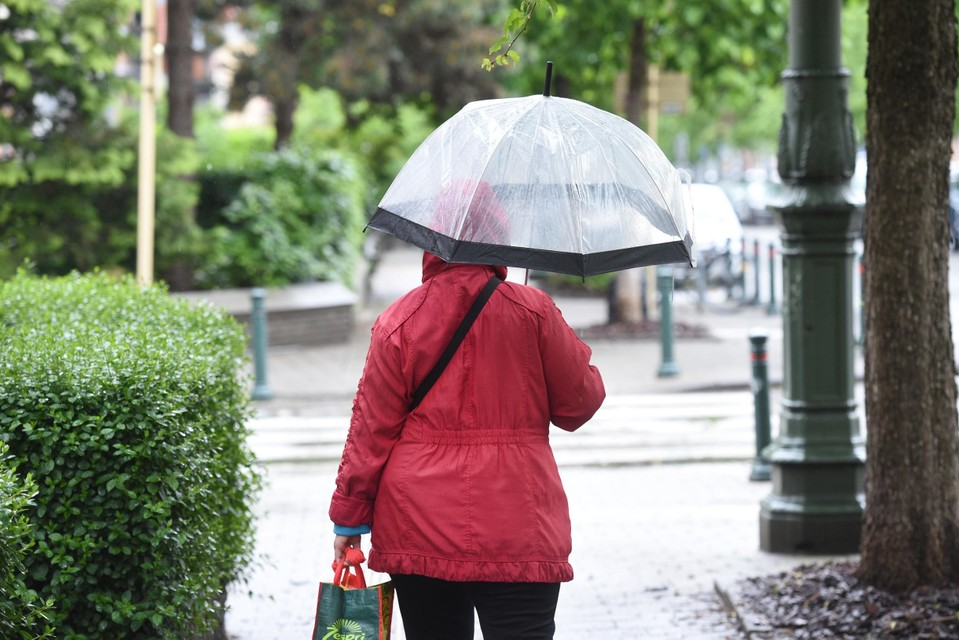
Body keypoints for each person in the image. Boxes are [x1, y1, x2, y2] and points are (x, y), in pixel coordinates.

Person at [329, 187, 605, 640]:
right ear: (499, 238)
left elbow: (370, 431)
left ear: (430, 239)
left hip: (418, 524)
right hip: (520, 522)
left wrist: (349, 518)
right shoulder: (532, 311)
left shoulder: (397, 321)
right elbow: (580, 404)